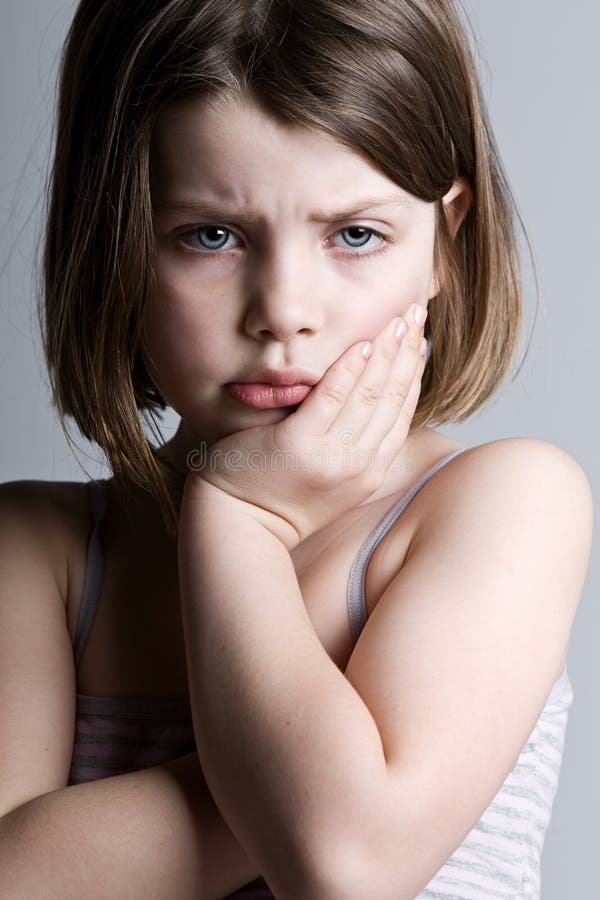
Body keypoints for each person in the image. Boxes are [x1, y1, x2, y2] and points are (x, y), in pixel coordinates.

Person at [0, 0, 592, 897]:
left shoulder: (503, 504)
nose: (283, 310)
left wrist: (236, 521)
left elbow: (346, 866)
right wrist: (326, 775)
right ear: (114, 242)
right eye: (211, 235)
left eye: (355, 234)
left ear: (445, 240)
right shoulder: (37, 552)